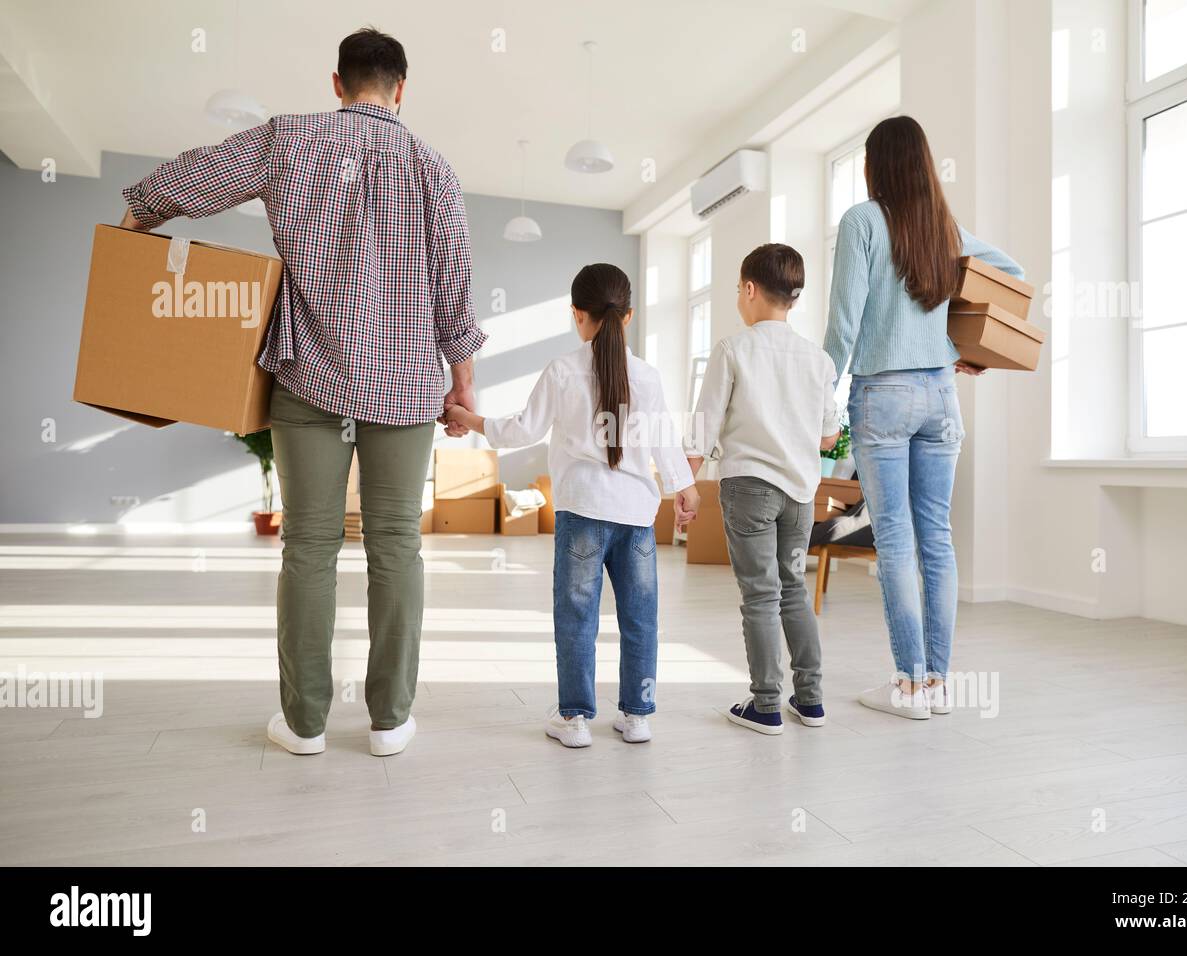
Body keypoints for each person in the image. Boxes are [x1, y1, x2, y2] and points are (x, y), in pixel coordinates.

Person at [120, 28, 486, 756]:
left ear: (337, 83)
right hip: (406, 385)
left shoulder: (290, 138)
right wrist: (461, 388)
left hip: (309, 372)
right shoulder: (433, 168)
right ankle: (389, 722)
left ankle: (306, 723)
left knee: (309, 549)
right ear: (401, 90)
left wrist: (135, 222)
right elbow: (454, 293)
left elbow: (196, 176)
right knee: (396, 548)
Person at [444, 264, 699, 748]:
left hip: (582, 509)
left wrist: (468, 419)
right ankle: (637, 715)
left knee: (577, 616)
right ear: (628, 317)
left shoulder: (562, 370)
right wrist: (685, 486)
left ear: (577, 316)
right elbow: (666, 442)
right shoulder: (647, 375)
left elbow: (522, 429)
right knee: (641, 618)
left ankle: (576, 718)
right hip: (636, 516)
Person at [824, 115, 1023, 720]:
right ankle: (935, 684)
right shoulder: (945, 228)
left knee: (895, 539)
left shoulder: (862, 221)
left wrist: (819, 400)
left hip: (883, 395)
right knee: (937, 539)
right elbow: (1010, 273)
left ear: (874, 164)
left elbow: (843, 324)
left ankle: (908, 687)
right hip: (941, 398)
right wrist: (958, 350)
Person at [685, 244, 841, 735]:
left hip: (749, 489)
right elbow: (829, 436)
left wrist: (683, 485)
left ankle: (766, 706)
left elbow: (702, 430)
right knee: (793, 591)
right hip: (799, 494)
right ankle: (811, 702)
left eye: (736, 289)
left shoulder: (733, 349)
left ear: (750, 290)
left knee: (759, 596)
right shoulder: (817, 360)